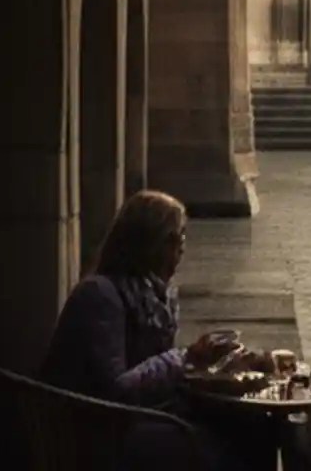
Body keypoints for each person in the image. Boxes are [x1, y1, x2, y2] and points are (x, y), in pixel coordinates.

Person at [40, 190, 273, 470]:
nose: (181, 249)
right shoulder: (100, 295)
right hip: (98, 433)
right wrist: (185, 358)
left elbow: (158, 376)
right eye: (171, 239)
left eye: (182, 237)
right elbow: (118, 391)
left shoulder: (154, 298)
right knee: (219, 444)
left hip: (141, 417)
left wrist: (216, 367)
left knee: (255, 422)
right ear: (144, 243)